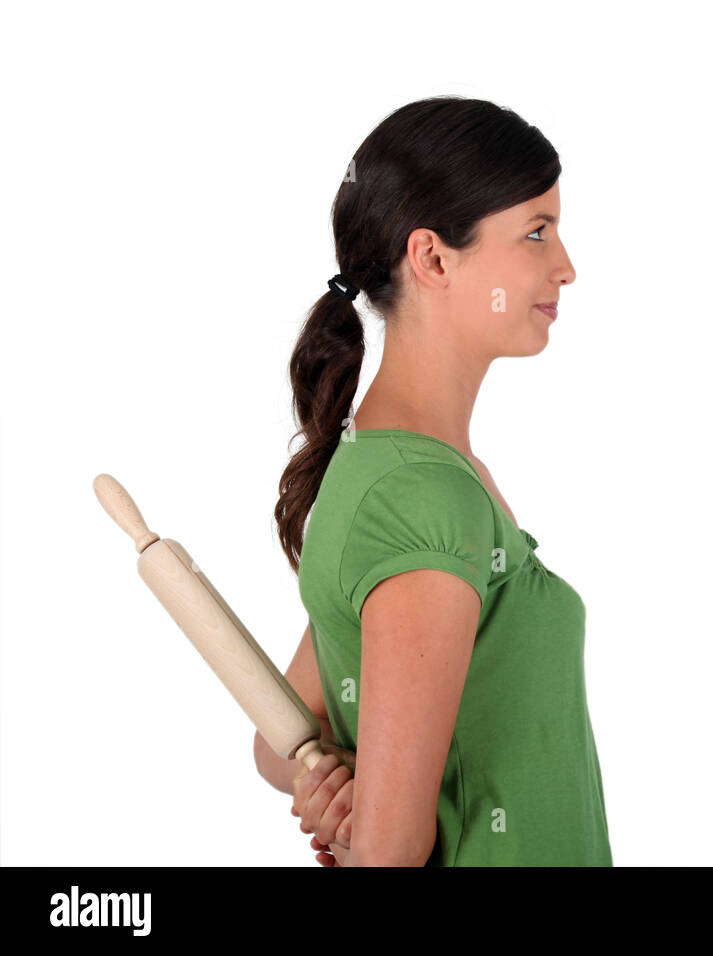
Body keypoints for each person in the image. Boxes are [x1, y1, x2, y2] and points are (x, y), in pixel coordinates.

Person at [253, 96, 612, 866]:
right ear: (435, 259)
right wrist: (368, 819)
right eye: (536, 233)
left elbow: (276, 736)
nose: (566, 265)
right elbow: (388, 855)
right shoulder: (423, 498)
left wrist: (327, 782)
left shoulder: (398, 471)